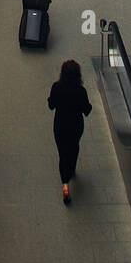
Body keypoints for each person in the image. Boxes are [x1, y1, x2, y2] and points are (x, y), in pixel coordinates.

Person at [48, 59, 93, 204]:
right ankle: (72, 168)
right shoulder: (81, 91)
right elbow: (87, 110)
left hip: (60, 125)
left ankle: (65, 185)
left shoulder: (57, 87)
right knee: (74, 147)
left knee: (62, 153)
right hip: (76, 126)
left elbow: (51, 105)